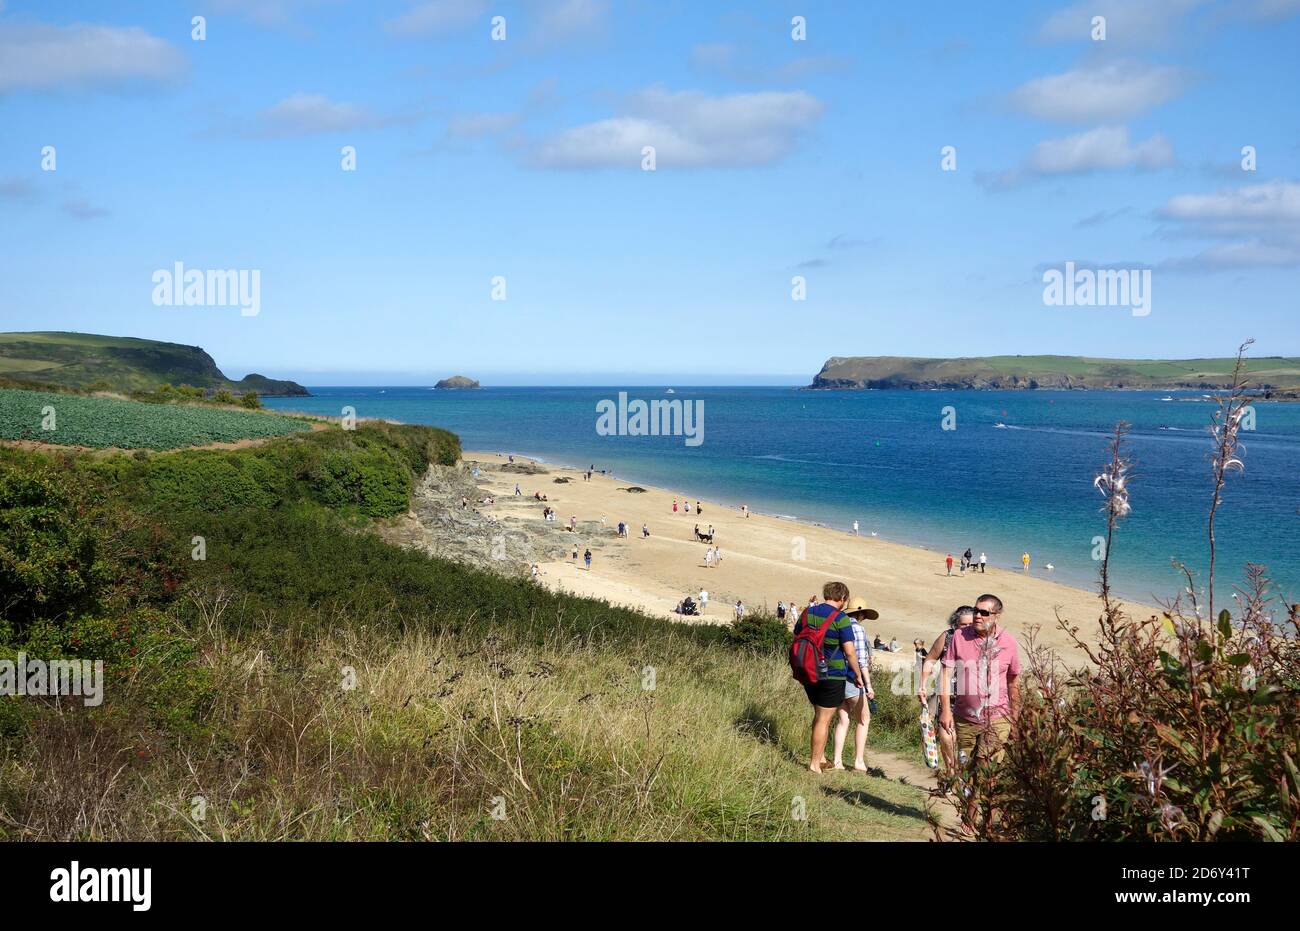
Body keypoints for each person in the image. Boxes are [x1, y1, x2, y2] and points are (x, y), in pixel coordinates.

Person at [939, 594, 1021, 833]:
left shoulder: (1009, 642)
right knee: (967, 769)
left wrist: (1015, 719)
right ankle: (973, 814)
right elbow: (945, 675)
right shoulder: (959, 638)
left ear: (996, 616)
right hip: (964, 717)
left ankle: (978, 821)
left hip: (998, 718)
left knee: (987, 770)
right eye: (976, 610)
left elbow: (1014, 681)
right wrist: (945, 710)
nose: (977, 615)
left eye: (984, 612)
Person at [793, 581, 869, 774]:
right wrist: (858, 675)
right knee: (824, 719)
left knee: (819, 716)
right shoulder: (841, 619)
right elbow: (850, 652)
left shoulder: (808, 613)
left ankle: (821, 758)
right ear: (842, 598)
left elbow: (797, 634)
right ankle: (814, 764)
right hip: (832, 674)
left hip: (808, 671)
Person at [918, 605, 974, 773]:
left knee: (964, 738)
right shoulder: (947, 637)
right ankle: (951, 771)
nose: (967, 628)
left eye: (970, 624)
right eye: (963, 625)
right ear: (955, 624)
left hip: (971, 697)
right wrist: (922, 685)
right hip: (947, 694)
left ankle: (961, 773)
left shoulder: (979, 639)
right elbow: (930, 659)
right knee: (946, 735)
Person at [831, 596, 880, 772]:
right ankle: (858, 761)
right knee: (863, 719)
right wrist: (868, 685)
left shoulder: (840, 625)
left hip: (835, 677)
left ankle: (837, 761)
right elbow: (860, 661)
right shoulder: (858, 629)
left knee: (843, 719)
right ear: (861, 614)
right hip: (853, 678)